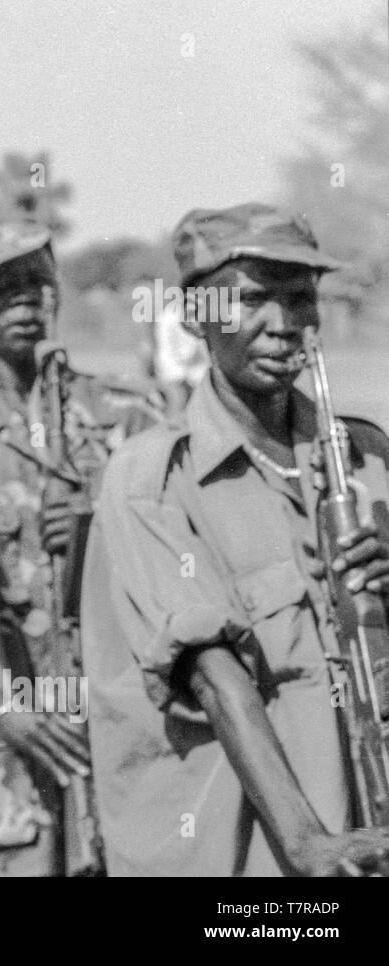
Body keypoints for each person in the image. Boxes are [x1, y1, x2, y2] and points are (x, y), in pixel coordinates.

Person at [82, 202, 389, 876]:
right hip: (245, 859)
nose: (283, 324)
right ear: (196, 316)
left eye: (300, 298)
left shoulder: (366, 458)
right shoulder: (152, 478)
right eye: (252, 300)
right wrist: (307, 844)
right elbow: (214, 675)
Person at [0, 221, 162, 876]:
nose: (22, 300)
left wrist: (99, 526)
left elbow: (170, 543)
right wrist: (4, 696)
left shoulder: (128, 413)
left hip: (113, 702)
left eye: (35, 284)